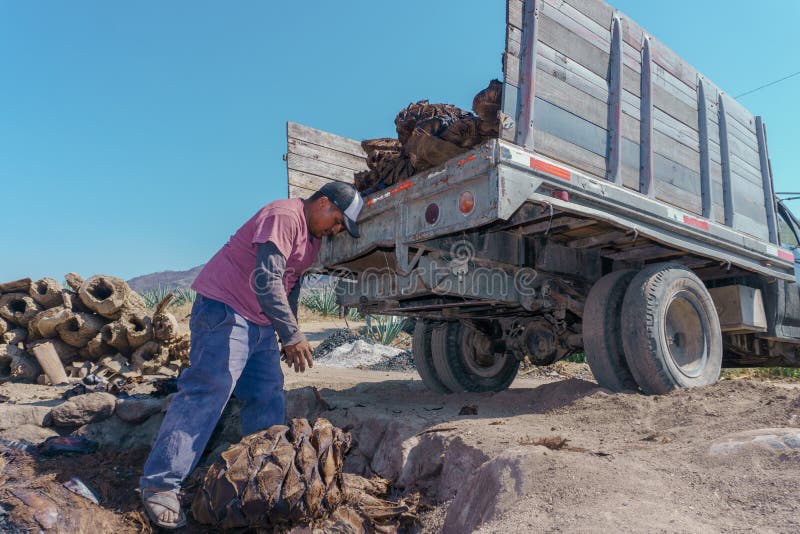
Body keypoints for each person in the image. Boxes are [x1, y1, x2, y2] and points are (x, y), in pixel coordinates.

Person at [138, 182, 363, 529]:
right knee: (209, 390)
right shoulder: (283, 215)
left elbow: (291, 284)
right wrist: (291, 335)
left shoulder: (313, 240)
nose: (334, 230)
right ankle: (160, 484)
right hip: (224, 310)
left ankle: (259, 479)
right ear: (322, 202)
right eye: (336, 221)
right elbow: (266, 279)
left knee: (267, 395)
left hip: (259, 322)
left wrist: (289, 329)